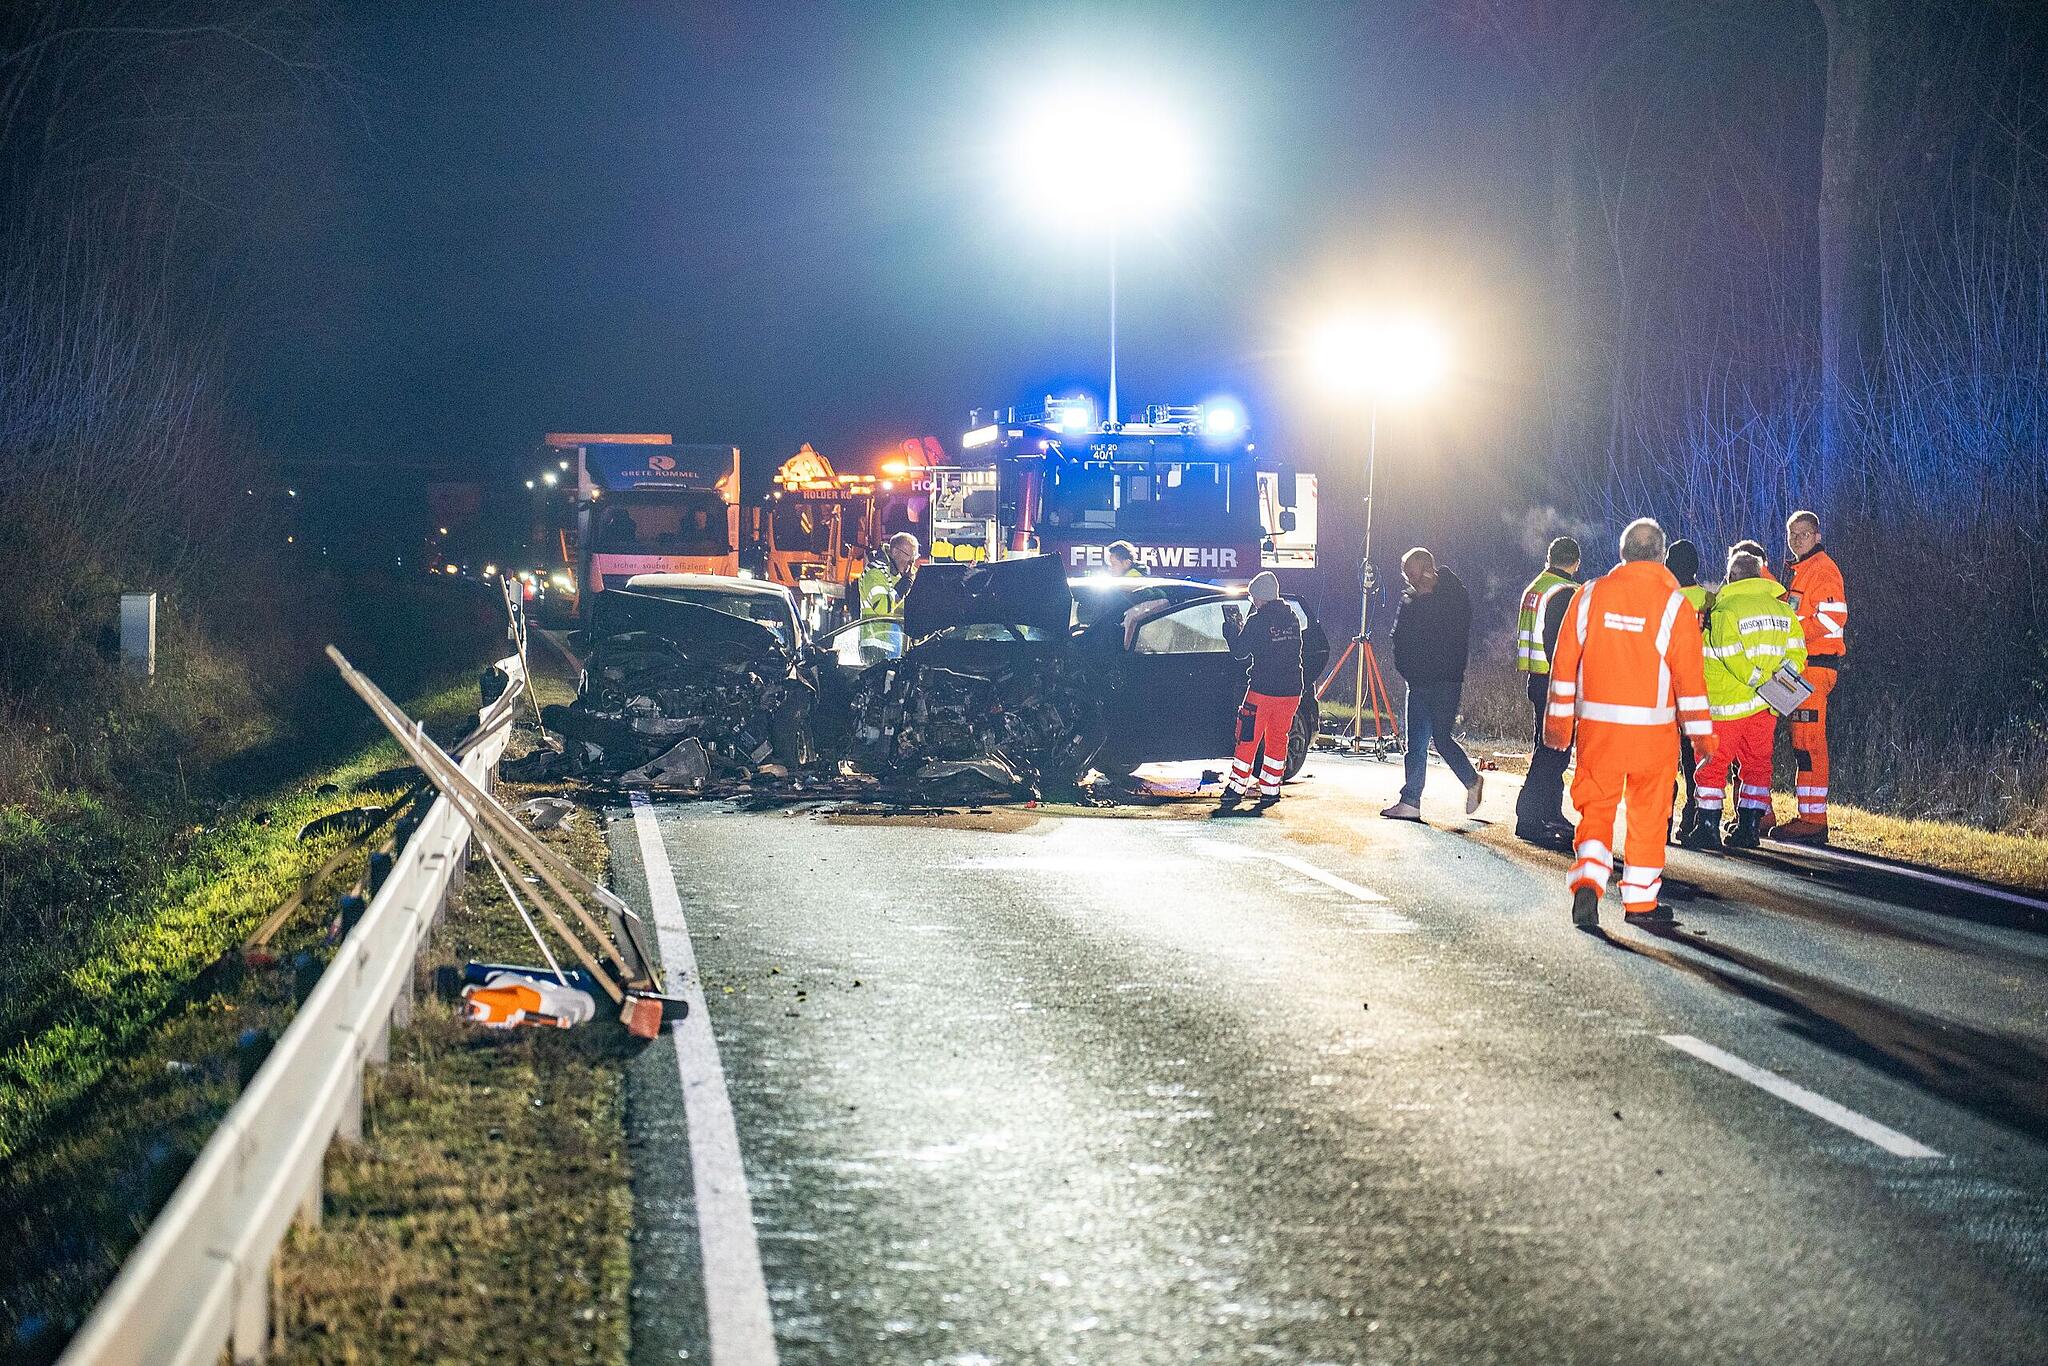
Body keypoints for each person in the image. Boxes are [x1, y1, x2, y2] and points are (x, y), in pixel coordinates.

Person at [1543, 518, 1716, 927]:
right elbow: (1690, 680)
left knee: (1596, 810)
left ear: (1622, 554)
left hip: (1598, 732)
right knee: (1648, 816)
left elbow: (1564, 666)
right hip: (1652, 736)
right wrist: (1703, 738)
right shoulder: (1674, 605)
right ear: (1660, 555)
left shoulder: (1589, 595)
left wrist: (1558, 725)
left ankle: (1588, 880)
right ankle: (1640, 903)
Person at [1687, 549, 1805, 850]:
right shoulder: (1783, 612)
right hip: (1765, 707)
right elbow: (1797, 655)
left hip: (1726, 705)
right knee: (1757, 766)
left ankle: (1708, 828)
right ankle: (1749, 830)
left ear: (1732, 576)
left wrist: (1758, 679)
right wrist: (1774, 684)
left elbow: (1730, 655)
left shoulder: (1726, 610)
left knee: (1712, 766)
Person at [1382, 548, 1483, 821]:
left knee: (1441, 738)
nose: (1410, 581)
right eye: (1406, 576)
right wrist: (1406, 669)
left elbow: (1453, 630)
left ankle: (1472, 780)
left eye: (1413, 574)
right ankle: (1410, 802)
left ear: (1427, 568)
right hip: (1418, 682)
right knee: (1414, 743)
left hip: (1446, 680)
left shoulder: (1453, 595)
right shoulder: (1409, 600)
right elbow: (1398, 638)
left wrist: (1428, 599)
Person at [1778, 510, 1845, 843]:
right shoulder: (1800, 571)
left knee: (1809, 741)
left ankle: (1814, 819)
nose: (1797, 539)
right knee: (1794, 738)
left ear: (1817, 536)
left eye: (1803, 534)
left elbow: (1834, 618)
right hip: (1799, 668)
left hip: (1815, 667)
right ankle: (1794, 814)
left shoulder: (1823, 569)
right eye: (1792, 534)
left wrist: (1793, 632)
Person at [1512, 536, 1581, 847]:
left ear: (1549, 558)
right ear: (1576, 563)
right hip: (1557, 682)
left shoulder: (1536, 586)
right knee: (1554, 751)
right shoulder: (1565, 592)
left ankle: (1551, 813)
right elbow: (1560, 642)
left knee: (1551, 748)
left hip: (1537, 678)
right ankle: (1529, 815)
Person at [1220, 571, 1304, 812]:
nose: (1253, 602)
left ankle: (1236, 787)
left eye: (1253, 597)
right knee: (1278, 738)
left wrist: (1231, 630)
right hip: (1290, 692)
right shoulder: (1292, 618)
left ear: (1260, 597)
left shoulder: (1257, 621)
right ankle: (1270, 788)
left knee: (1248, 737)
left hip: (1263, 690)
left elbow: (1240, 652)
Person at [1666, 539, 1709, 843]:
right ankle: (1693, 814)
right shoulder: (1709, 600)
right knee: (1694, 756)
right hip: (1699, 687)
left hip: (1666, 689)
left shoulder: (1662, 598)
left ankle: (1662, 818)